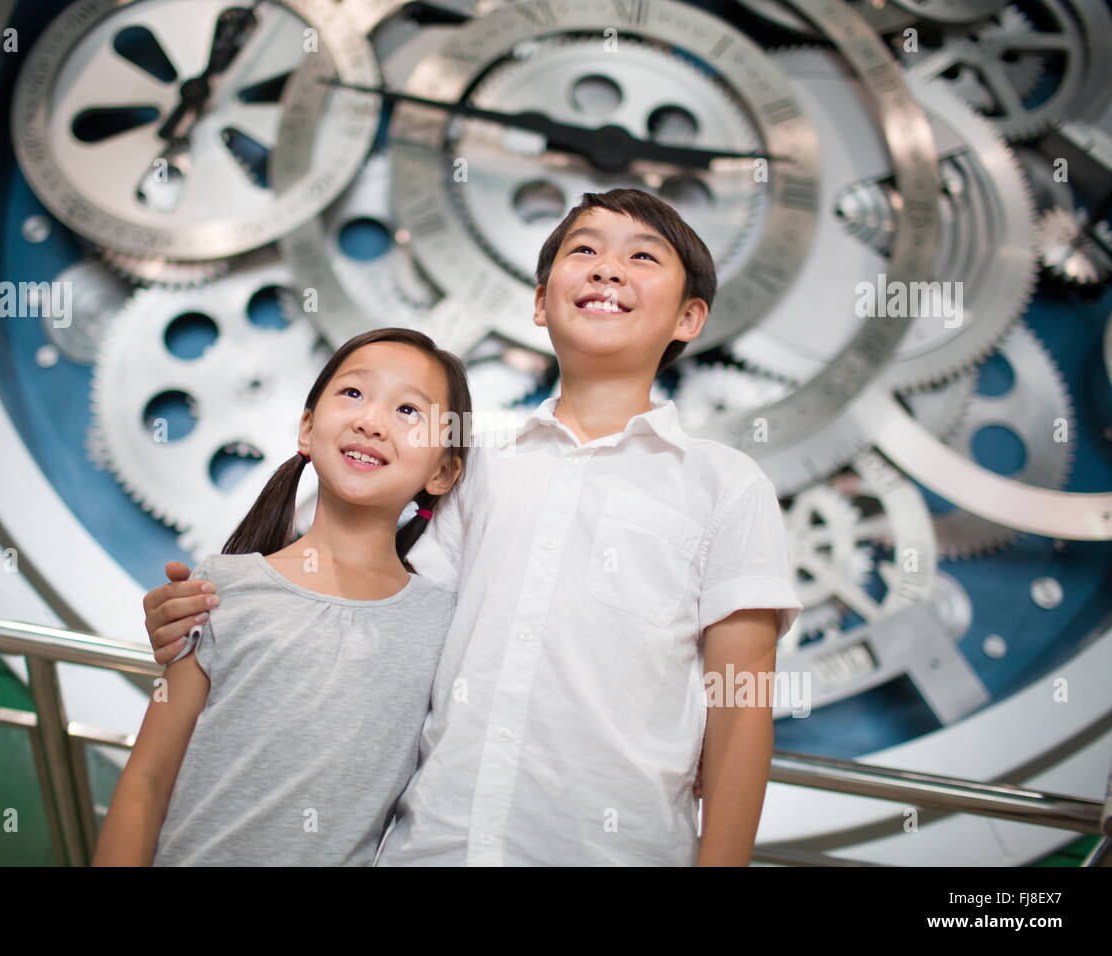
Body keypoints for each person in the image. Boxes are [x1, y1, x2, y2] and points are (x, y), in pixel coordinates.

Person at [141, 188, 802, 865]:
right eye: (584, 250)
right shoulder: (471, 467)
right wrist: (218, 610)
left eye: (642, 256)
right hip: (431, 850)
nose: (608, 268)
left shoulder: (726, 486)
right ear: (541, 302)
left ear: (690, 317)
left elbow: (741, 706)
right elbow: (382, 614)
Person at [92, 327, 471, 866]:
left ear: (443, 471)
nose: (371, 421)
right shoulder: (222, 587)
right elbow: (148, 781)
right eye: (353, 394)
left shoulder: (444, 625)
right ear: (306, 428)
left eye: (409, 410)